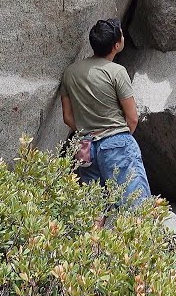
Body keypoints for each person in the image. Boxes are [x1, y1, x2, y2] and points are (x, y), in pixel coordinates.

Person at [60, 18, 152, 209]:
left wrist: (87, 132)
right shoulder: (116, 72)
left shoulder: (70, 72)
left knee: (93, 209)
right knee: (135, 204)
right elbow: (132, 118)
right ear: (116, 45)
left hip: (84, 147)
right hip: (115, 141)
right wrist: (117, 139)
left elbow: (67, 117)